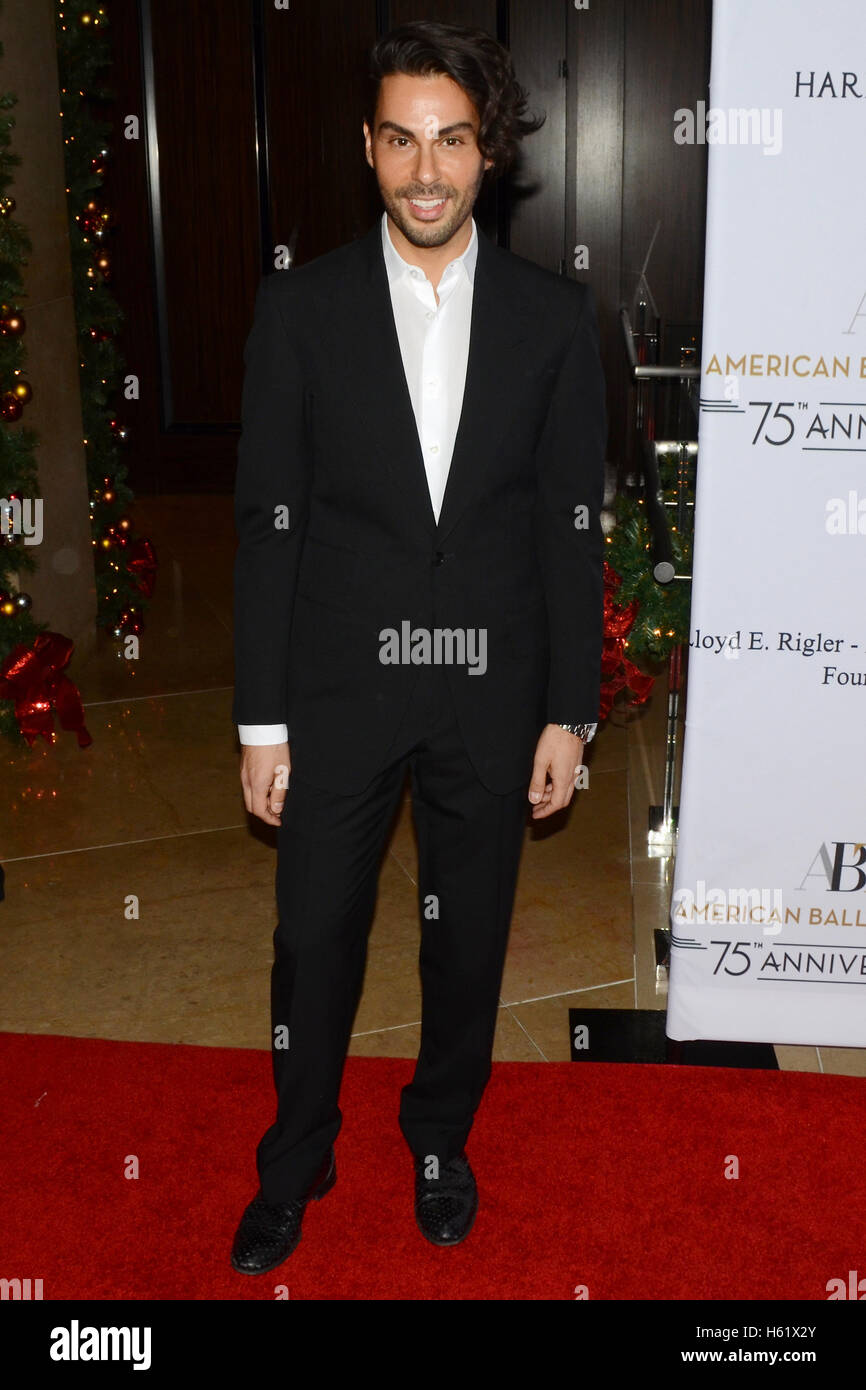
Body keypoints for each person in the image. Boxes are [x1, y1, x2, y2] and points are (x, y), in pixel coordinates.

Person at [230, 19, 606, 1275]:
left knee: (467, 934)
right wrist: (261, 721)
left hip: (491, 692)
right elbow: (266, 525)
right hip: (342, 681)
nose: (426, 169)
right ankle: (297, 1153)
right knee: (313, 933)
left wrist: (568, 709)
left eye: (450, 139)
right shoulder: (299, 308)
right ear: (369, 150)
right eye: (402, 140)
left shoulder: (555, 318)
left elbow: (566, 527)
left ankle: (439, 1139)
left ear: (485, 151)